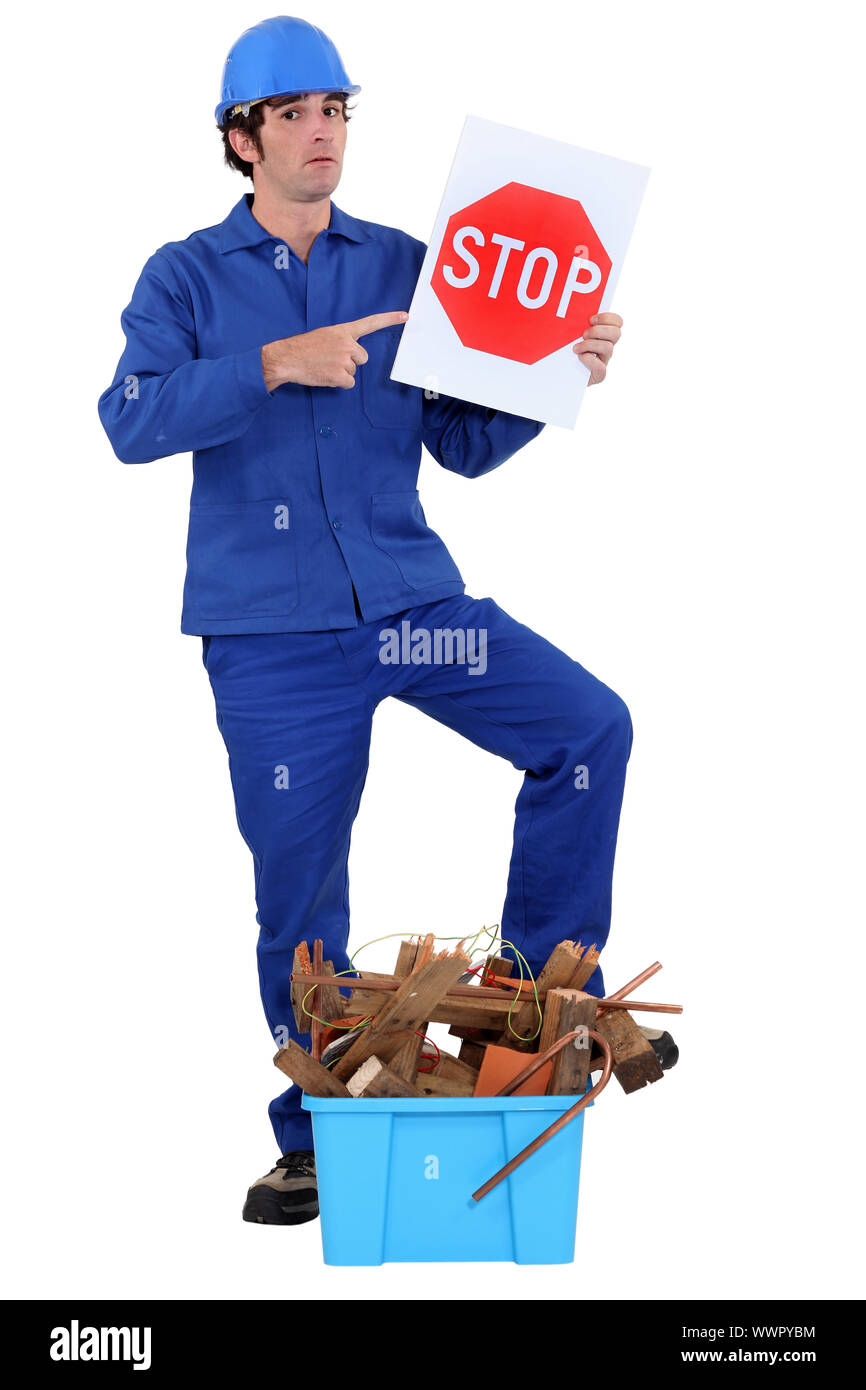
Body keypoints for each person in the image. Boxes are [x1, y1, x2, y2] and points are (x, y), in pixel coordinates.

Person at [99, 15, 672, 1228]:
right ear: (241, 137)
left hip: (414, 617)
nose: (324, 133)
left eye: (338, 111)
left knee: (585, 730)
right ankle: (309, 1139)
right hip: (274, 644)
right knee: (301, 894)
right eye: (298, 114)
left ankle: (535, 1004)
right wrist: (266, 363)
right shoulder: (184, 278)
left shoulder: (408, 265)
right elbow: (130, 419)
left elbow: (461, 445)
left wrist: (552, 375)